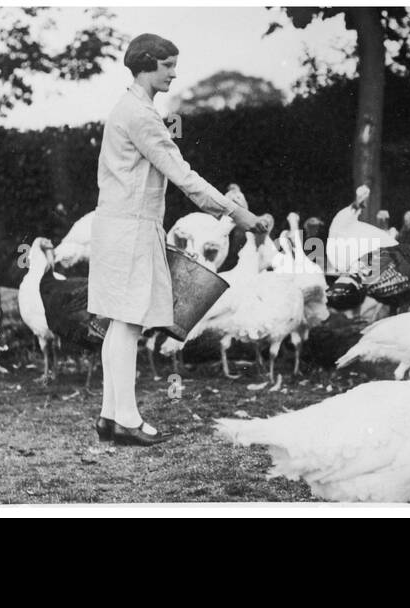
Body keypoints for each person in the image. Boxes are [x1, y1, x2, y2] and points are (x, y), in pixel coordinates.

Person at [90, 33, 268, 446]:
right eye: (168, 65)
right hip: (131, 226)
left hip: (121, 224)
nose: (174, 72)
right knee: (129, 322)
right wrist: (236, 213)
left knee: (121, 321)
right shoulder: (142, 115)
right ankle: (126, 420)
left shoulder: (128, 108)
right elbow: (183, 175)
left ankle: (109, 416)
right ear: (148, 63)